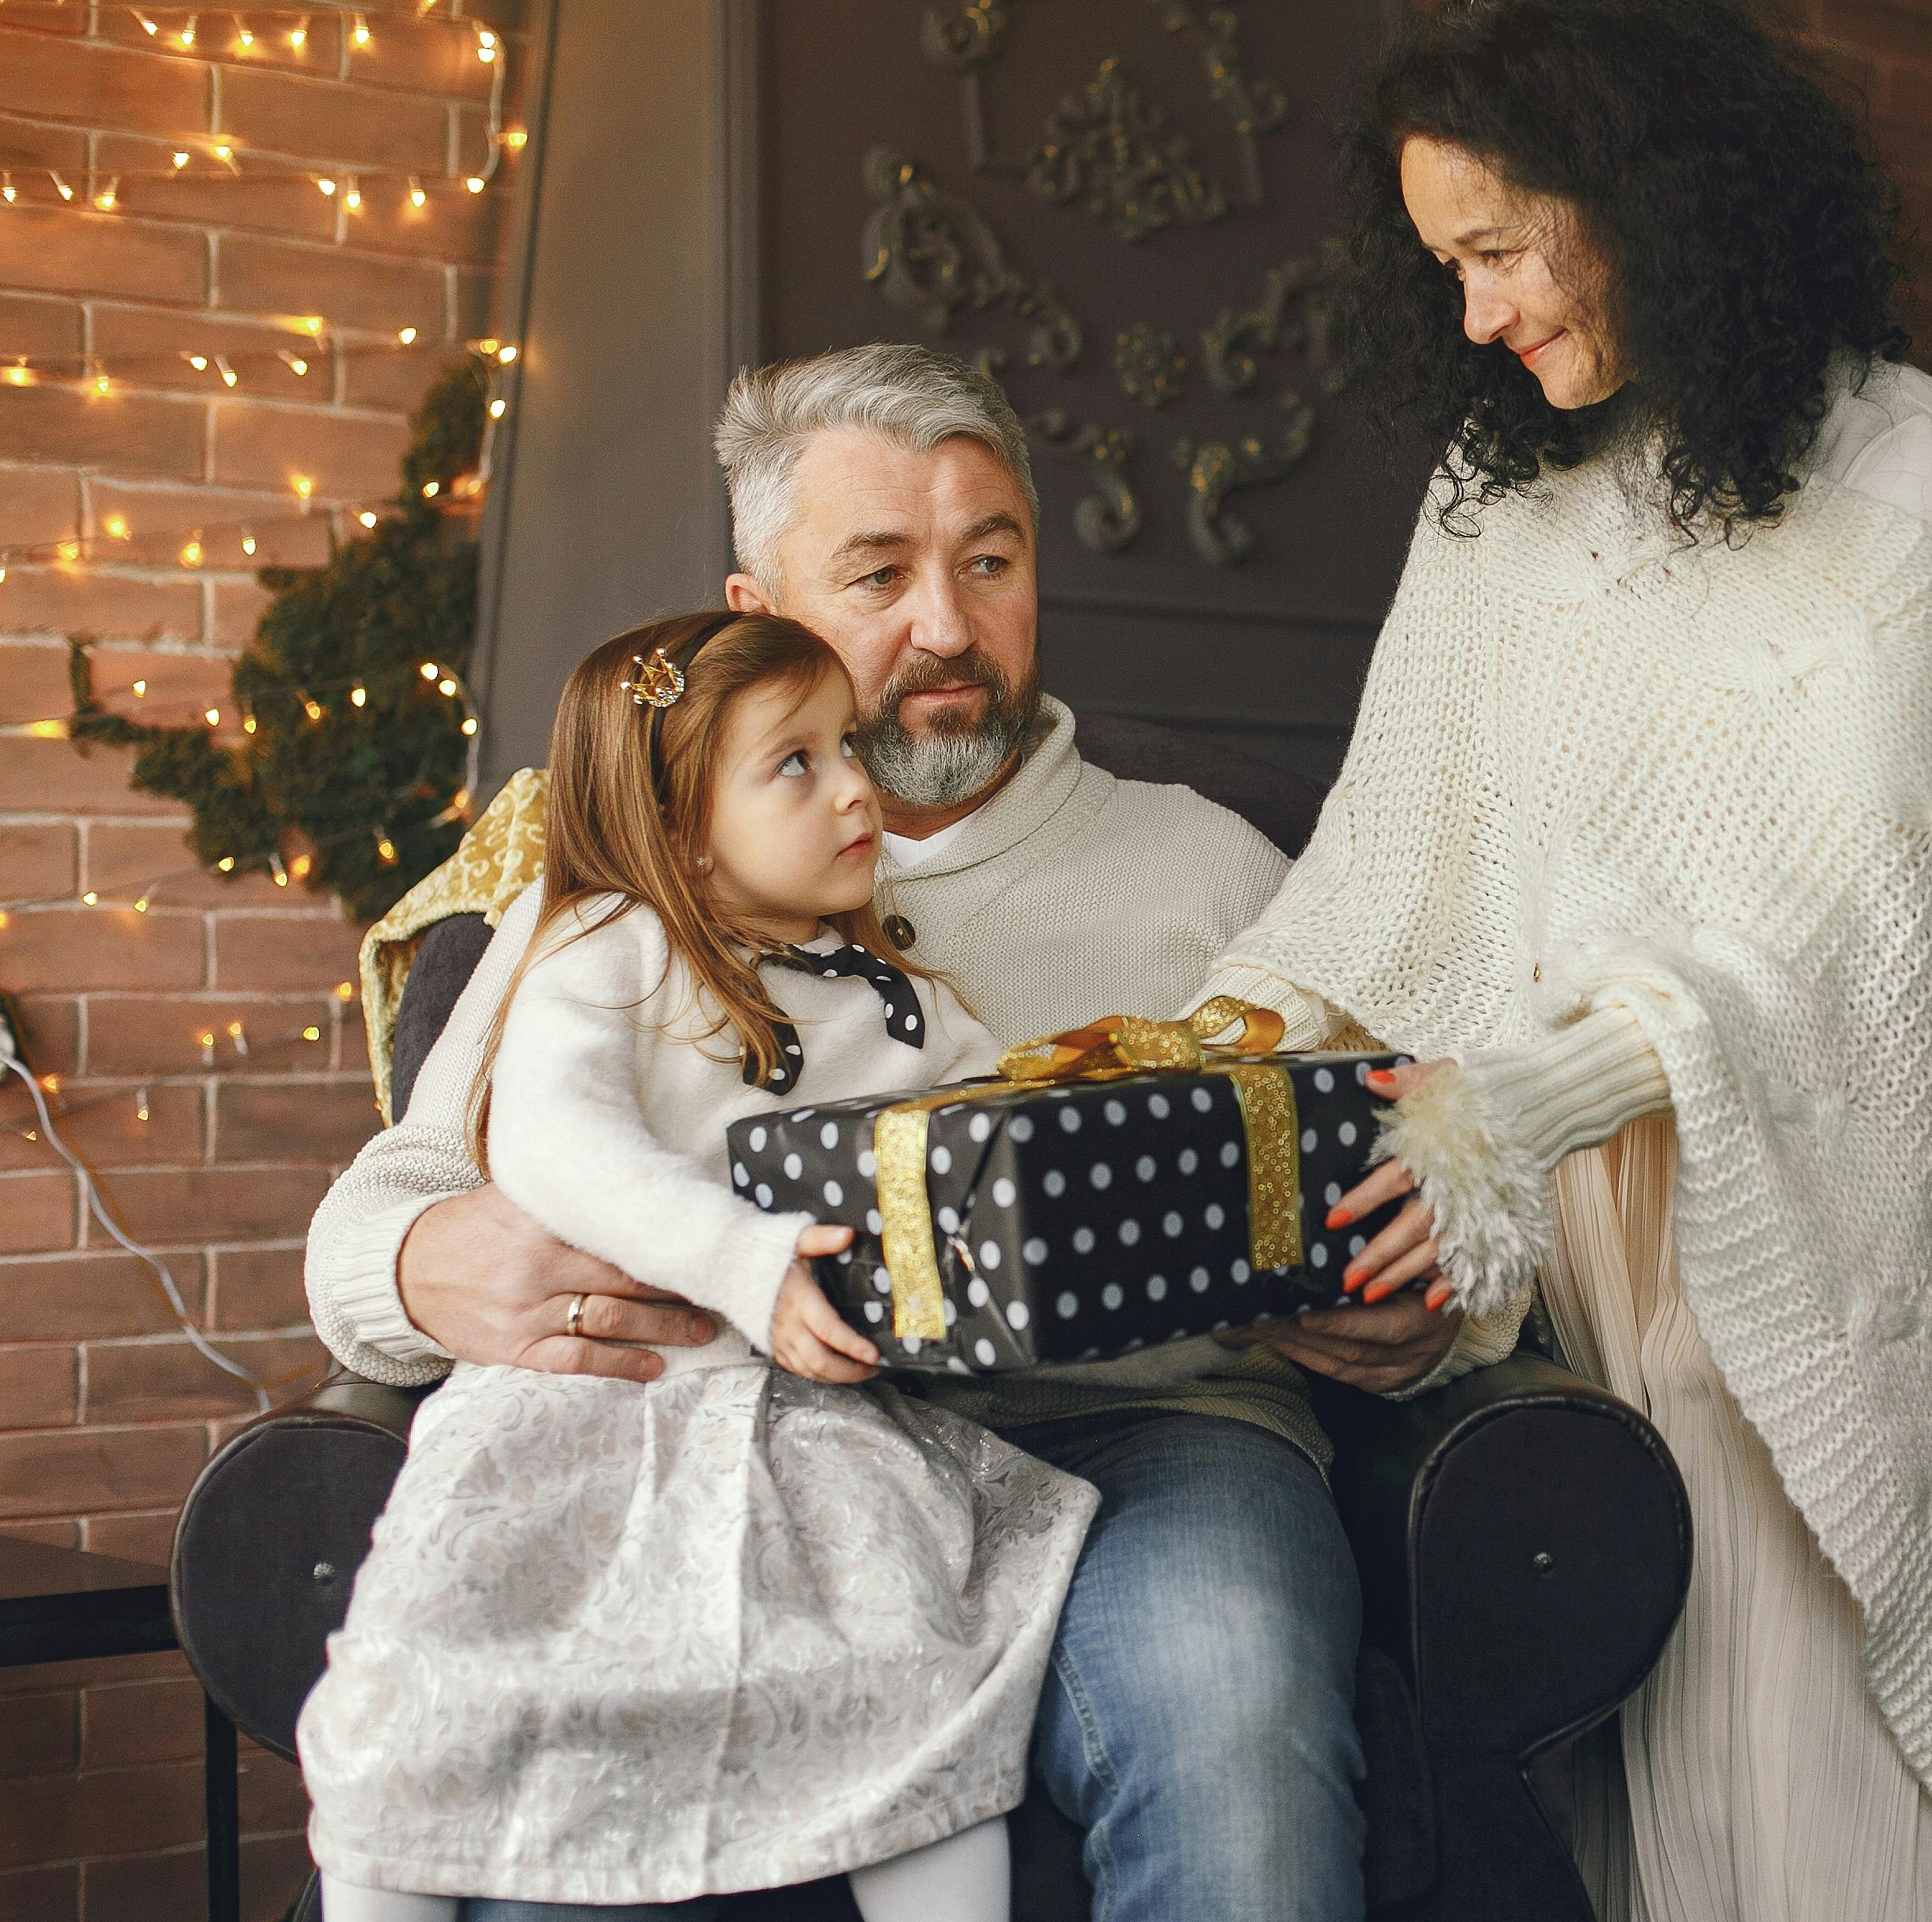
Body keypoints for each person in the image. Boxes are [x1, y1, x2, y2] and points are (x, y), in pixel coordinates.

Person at [303, 344, 1515, 1921]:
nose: (947, 626)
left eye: (990, 562)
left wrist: (1439, 1301)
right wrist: (428, 1258)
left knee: (1229, 1707)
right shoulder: (633, 891)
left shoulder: (1217, 868)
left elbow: (1435, 1173)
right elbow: (379, 1207)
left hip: (1158, 1442)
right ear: (753, 613)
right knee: (570, 1801)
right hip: (771, 1442)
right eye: (878, 573)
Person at [1188, 0, 1932, 1918]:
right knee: (1647, 1849)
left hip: (1818, 1252)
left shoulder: (1904, 465)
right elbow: (1386, 856)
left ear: (1649, 190)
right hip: (1563, 1290)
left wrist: (1495, 1111)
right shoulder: (1492, 492)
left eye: (1506, 250)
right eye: (1445, 266)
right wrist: (1207, 1062)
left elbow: (1867, 925)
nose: (1479, 314)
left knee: (1827, 1830)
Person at [302, 611, 1095, 1920]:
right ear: (678, 824)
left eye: (849, 746)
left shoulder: (906, 999)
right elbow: (554, 1137)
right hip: (584, 1414)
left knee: (915, 1705)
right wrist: (741, 1256)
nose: (857, 785)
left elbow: (998, 1159)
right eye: (797, 762)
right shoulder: (603, 946)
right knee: (421, 1692)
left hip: (821, 1431)